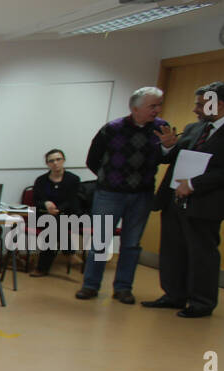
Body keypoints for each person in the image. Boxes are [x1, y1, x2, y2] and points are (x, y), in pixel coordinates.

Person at [146, 81, 224, 317]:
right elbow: (174, 158)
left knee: (201, 253)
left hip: (208, 201)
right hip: (175, 198)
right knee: (172, 250)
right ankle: (174, 295)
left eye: (200, 104)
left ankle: (201, 303)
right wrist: (168, 148)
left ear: (218, 103)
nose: (195, 109)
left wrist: (194, 184)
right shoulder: (194, 128)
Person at [76, 87, 169, 303]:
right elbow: (93, 159)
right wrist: (109, 179)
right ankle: (90, 285)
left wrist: (168, 148)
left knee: (131, 243)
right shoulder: (112, 128)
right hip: (110, 194)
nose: (157, 110)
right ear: (135, 108)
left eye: (159, 105)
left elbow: (167, 159)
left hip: (142, 194)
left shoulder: (161, 129)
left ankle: (123, 288)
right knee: (100, 241)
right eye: (152, 106)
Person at [30, 148, 82, 277]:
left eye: (58, 159)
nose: (55, 163)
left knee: (55, 224)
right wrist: (45, 204)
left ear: (63, 160)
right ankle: (69, 252)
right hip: (44, 215)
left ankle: (42, 268)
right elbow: (36, 200)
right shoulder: (41, 180)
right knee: (53, 223)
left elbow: (72, 200)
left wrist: (58, 210)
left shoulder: (73, 179)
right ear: (47, 164)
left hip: (68, 214)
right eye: (51, 161)